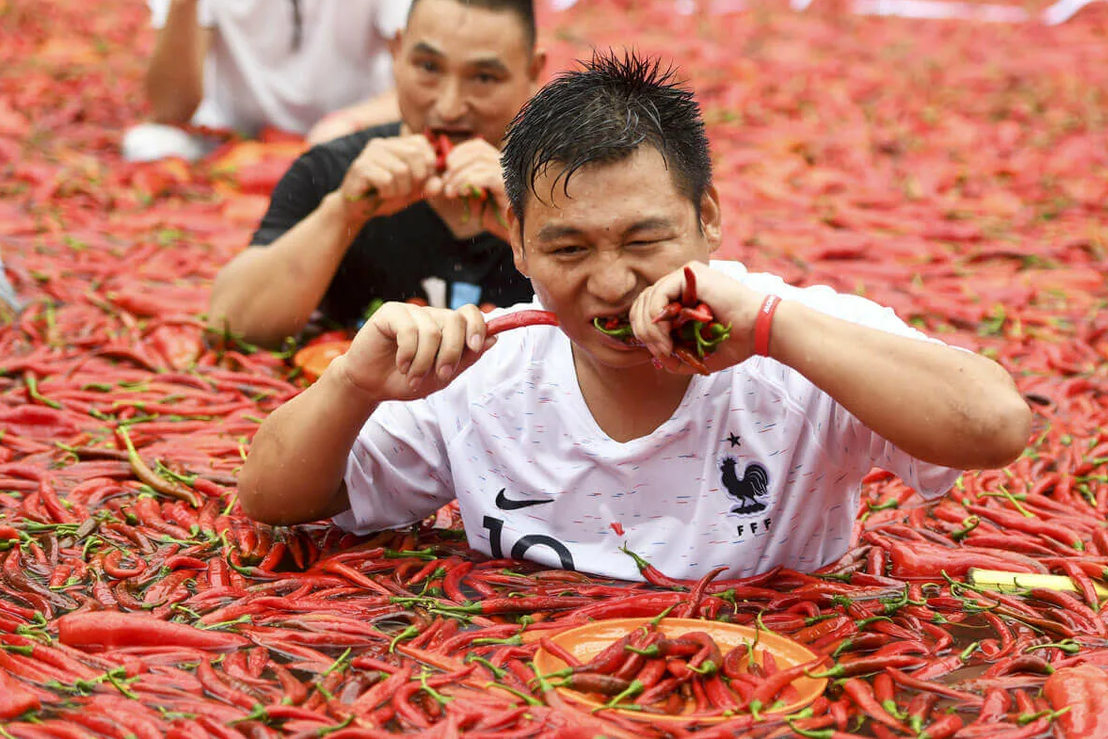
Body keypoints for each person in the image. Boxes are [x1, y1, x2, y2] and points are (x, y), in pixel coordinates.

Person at [237, 51, 1033, 581]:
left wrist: (773, 329)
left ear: (708, 218)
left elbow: (996, 424)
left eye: (646, 239)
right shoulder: (487, 372)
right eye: (569, 248)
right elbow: (271, 498)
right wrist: (352, 384)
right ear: (515, 243)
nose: (611, 282)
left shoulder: (798, 340)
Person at [207, 0, 544, 346]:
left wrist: (528, 227)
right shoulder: (332, 171)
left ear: (533, 72)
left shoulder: (567, 186)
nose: (449, 106)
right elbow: (229, 327)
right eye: (428, 67)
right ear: (396, 53)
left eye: (484, 77)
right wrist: (341, 213)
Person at [123, 0, 412, 164]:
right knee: (148, 144)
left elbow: (424, 81)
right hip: (230, 142)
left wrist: (349, 122)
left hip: (348, 139)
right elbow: (170, 108)